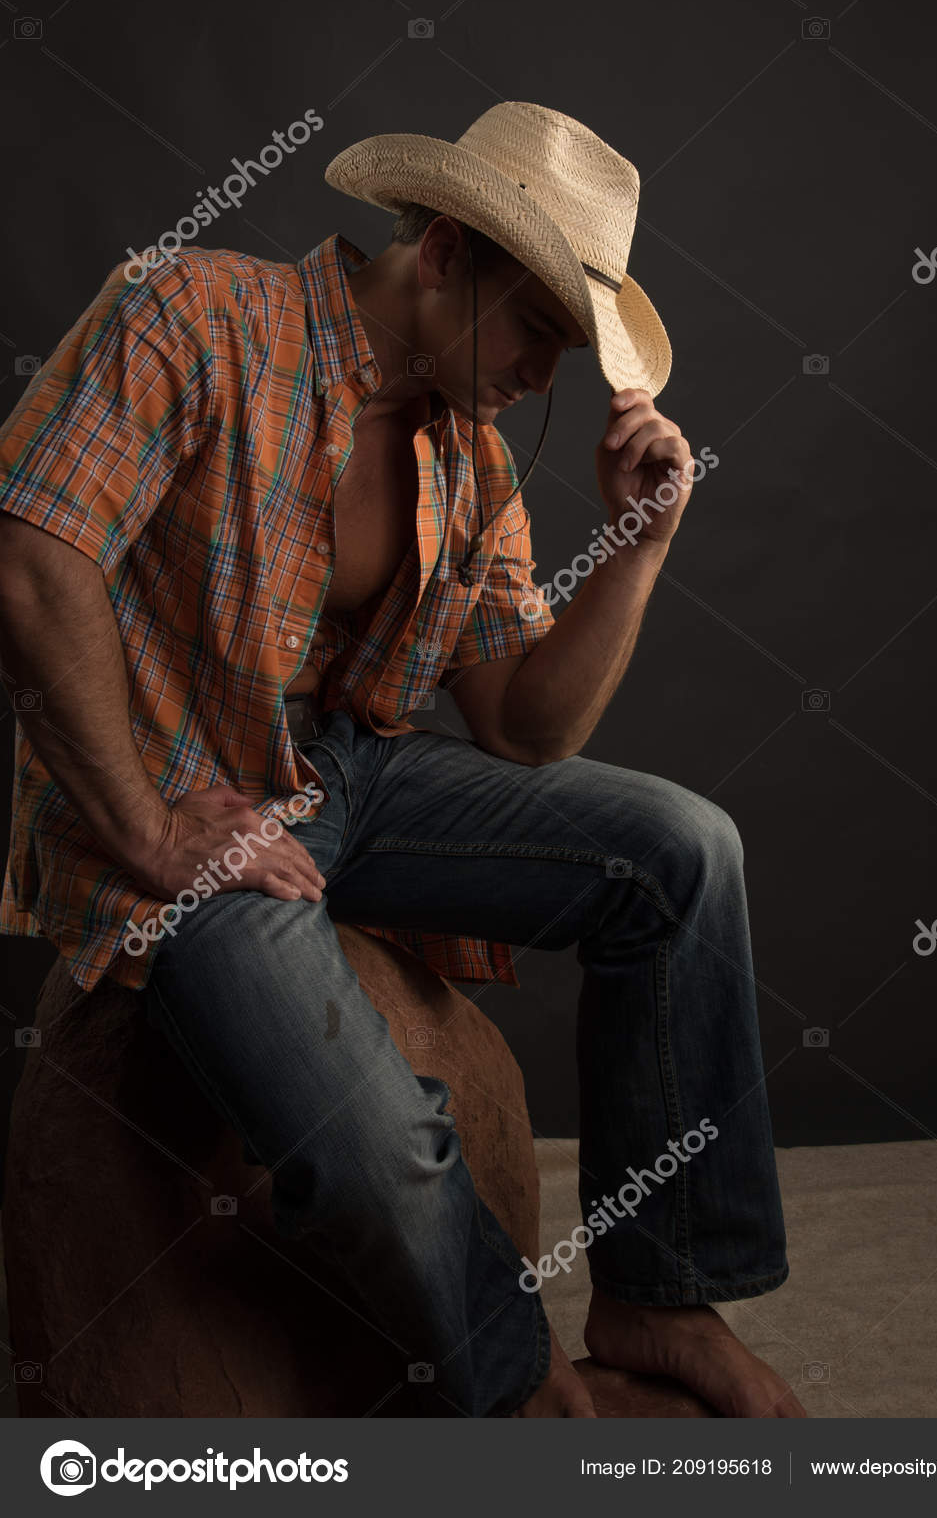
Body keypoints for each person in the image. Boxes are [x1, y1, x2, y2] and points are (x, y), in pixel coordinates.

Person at [0, 100, 805, 1419]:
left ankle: (660, 1298)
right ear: (441, 253)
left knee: (683, 854)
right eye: (536, 332)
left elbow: (525, 724)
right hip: (191, 810)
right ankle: (514, 1383)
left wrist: (641, 547)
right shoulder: (192, 315)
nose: (546, 376)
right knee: (369, 1129)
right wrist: (147, 831)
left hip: (353, 782)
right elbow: (31, 558)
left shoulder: (469, 457)